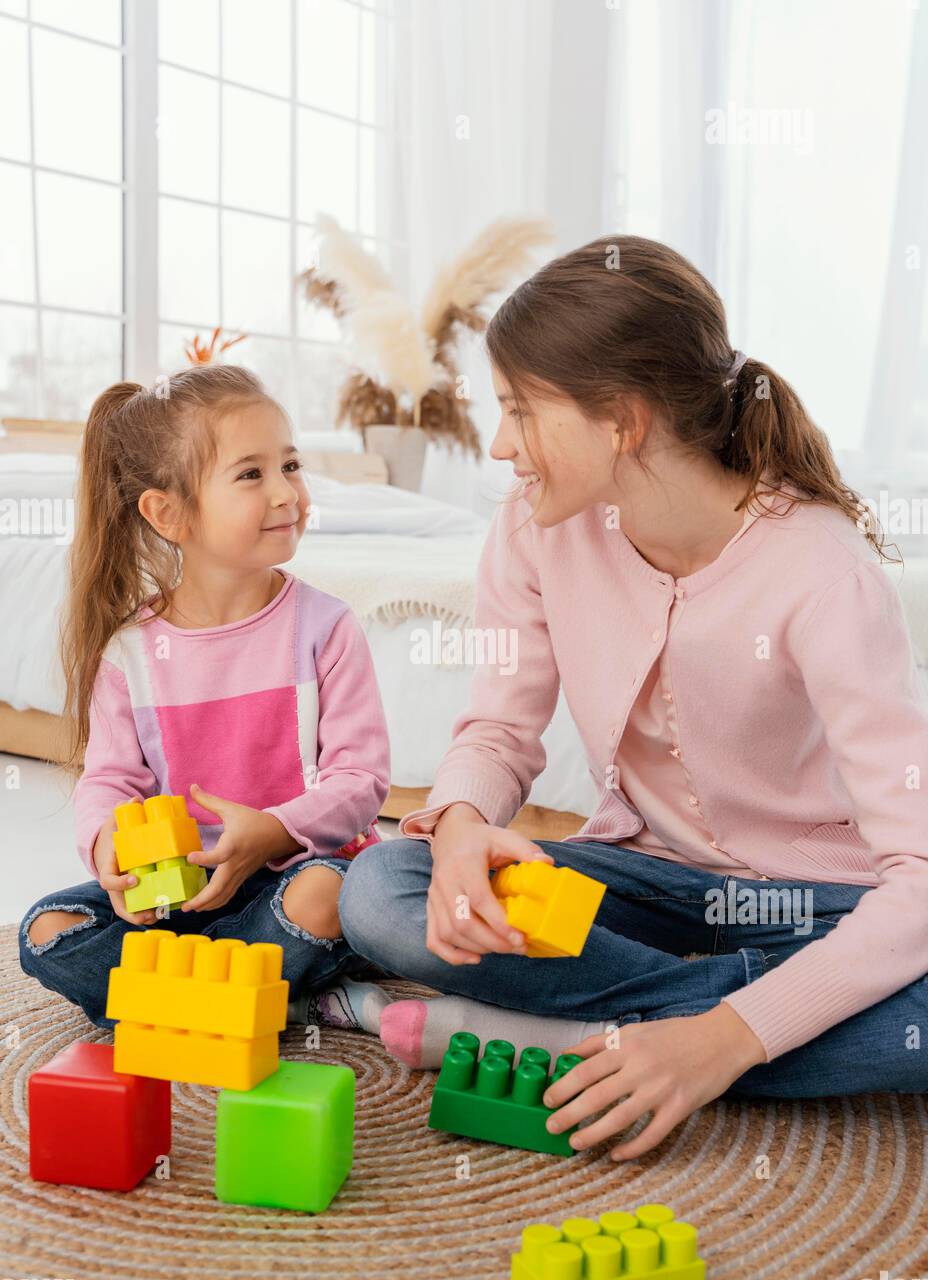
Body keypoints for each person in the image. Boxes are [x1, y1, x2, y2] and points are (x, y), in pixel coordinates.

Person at [336, 234, 928, 1161]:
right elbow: (497, 727)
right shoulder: (535, 533)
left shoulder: (823, 576)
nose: (501, 447)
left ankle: (632, 1034)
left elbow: (921, 879)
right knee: (381, 889)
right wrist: (456, 832)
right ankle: (760, 1015)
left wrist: (719, 1039)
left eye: (522, 412)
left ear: (623, 419)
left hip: (822, 904)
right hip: (646, 880)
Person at [19, 364, 389, 1030]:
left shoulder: (325, 628)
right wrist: (108, 847)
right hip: (179, 894)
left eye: (291, 465)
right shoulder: (131, 653)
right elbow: (110, 780)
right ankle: (265, 993)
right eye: (251, 474)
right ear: (169, 513)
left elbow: (361, 781)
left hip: (291, 875)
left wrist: (275, 829)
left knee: (329, 897)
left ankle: (183, 997)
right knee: (45, 929)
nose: (286, 493)